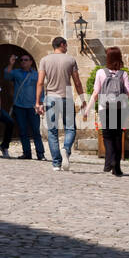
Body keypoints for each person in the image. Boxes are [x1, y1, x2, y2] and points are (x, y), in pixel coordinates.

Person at [36, 36, 84, 171]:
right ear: (62, 45)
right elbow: (77, 82)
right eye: (66, 45)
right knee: (70, 128)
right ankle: (66, 148)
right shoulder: (70, 60)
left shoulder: (44, 60)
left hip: (50, 97)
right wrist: (83, 99)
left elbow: (40, 82)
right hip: (66, 98)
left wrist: (37, 102)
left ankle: (56, 163)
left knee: (52, 131)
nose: (67, 47)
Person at [91, 46, 129, 177]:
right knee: (117, 137)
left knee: (107, 137)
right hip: (119, 108)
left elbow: (96, 92)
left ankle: (109, 161)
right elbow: (128, 93)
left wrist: (88, 108)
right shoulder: (123, 74)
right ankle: (116, 167)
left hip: (104, 108)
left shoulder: (101, 73)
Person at [6, 53, 44, 160]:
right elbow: (7, 75)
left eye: (26, 60)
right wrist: (11, 64)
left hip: (33, 106)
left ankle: (40, 154)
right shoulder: (16, 73)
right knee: (23, 131)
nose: (23, 62)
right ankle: (27, 153)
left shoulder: (36, 75)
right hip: (19, 106)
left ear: (31, 62)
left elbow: (41, 89)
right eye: (21, 60)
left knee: (36, 131)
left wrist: (40, 103)